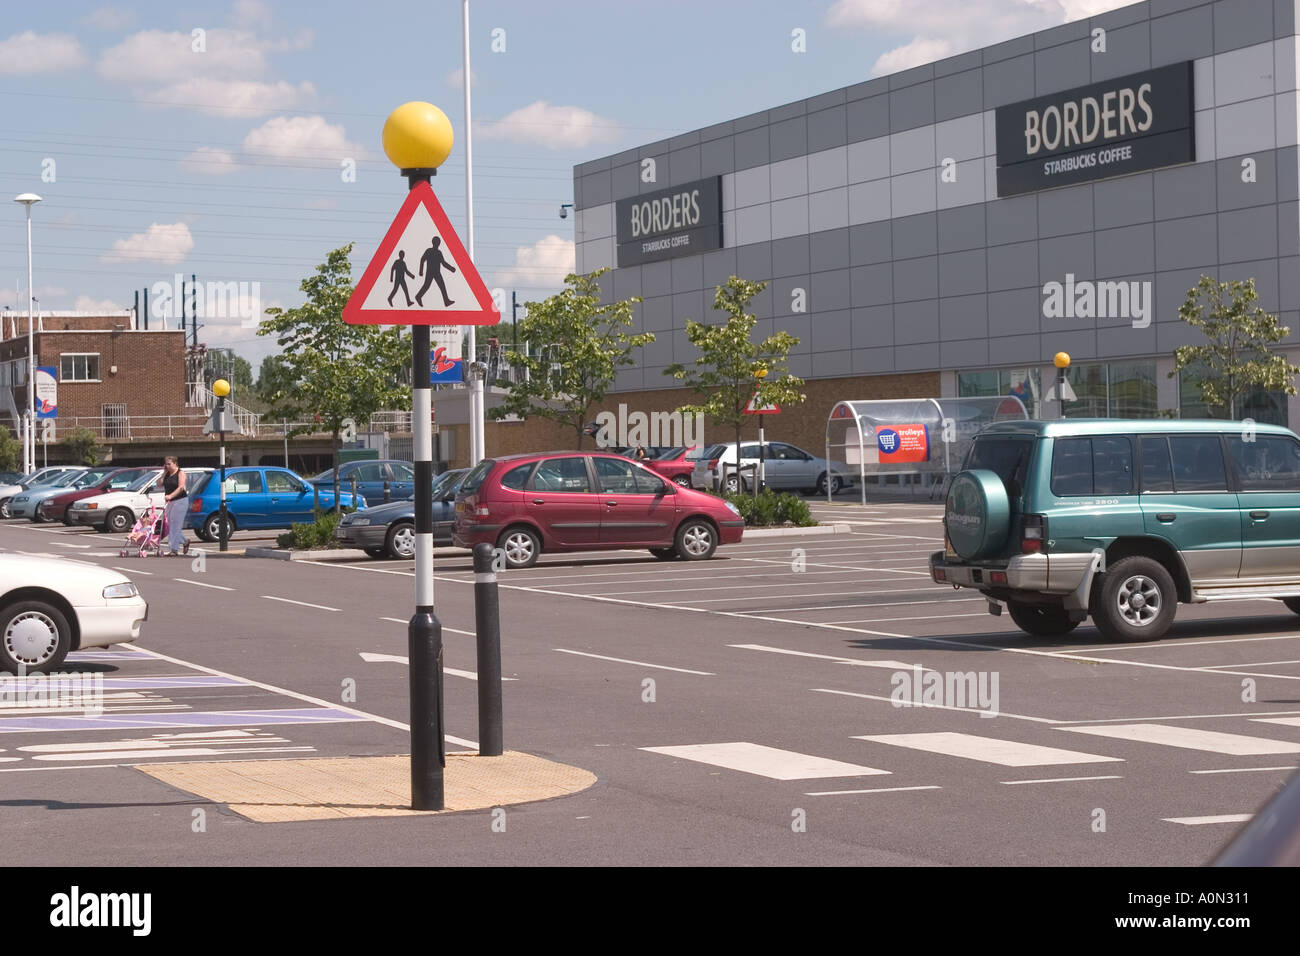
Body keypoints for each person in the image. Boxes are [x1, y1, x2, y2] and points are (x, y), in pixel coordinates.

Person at [415, 237, 456, 307]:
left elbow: (443, 263)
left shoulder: (438, 252)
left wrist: (451, 269)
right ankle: (418, 296)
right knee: (427, 286)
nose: (437, 244)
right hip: (431, 272)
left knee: (440, 286)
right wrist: (421, 271)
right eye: (437, 242)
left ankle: (446, 301)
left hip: (436, 272)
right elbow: (422, 259)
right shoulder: (429, 251)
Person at [161, 456, 189, 556]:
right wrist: (164, 473)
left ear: (175, 463)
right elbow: (159, 484)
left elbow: (181, 487)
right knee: (171, 526)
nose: (167, 466)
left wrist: (170, 496)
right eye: (166, 464)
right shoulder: (167, 474)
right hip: (170, 502)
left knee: (176, 525)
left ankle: (174, 549)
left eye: (169, 464)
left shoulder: (180, 473)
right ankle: (185, 541)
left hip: (180, 501)